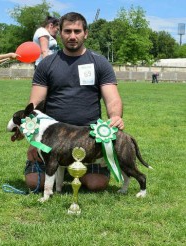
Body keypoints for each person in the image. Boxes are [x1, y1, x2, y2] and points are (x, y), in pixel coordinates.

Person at [25, 12, 124, 193]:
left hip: (88, 139)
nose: (72, 36)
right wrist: (34, 140)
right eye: (67, 31)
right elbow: (35, 104)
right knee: (34, 183)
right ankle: (60, 168)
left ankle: (73, 170)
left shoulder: (100, 63)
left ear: (85, 33)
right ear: (59, 33)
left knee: (97, 184)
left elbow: (113, 99)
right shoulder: (46, 64)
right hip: (52, 139)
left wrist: (115, 116)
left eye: (77, 31)